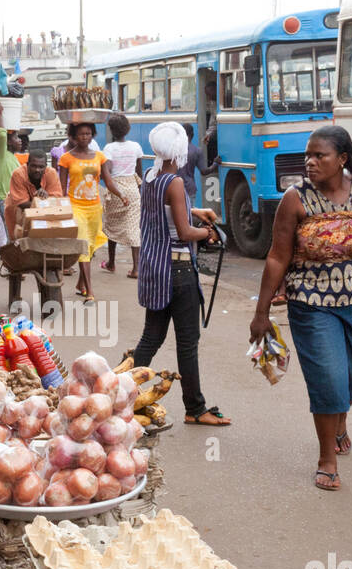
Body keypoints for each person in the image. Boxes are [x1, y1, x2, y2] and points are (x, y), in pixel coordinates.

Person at [248, 125, 352, 491]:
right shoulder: (295, 199)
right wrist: (261, 312)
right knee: (328, 378)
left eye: (320, 156)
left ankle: (339, 420)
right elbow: (276, 257)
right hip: (311, 304)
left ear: (342, 159)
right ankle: (326, 457)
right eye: (308, 156)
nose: (309, 162)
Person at [132, 121, 230, 425]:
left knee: (151, 337)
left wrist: (196, 212)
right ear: (181, 151)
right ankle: (195, 409)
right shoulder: (174, 182)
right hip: (178, 270)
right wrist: (209, 234)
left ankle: (116, 393)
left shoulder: (150, 177)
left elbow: (164, 213)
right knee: (187, 342)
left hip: (156, 268)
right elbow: (185, 232)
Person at [58, 123, 127, 302]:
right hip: (76, 207)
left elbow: (108, 181)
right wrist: (62, 207)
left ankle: (80, 284)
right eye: (81, 134)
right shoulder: (66, 158)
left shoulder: (100, 157)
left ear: (92, 135)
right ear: (73, 136)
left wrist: (121, 195)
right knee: (83, 246)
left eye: (88, 134)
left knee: (90, 245)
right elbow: (61, 187)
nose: (85, 137)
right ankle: (89, 291)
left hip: (95, 208)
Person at [99, 113, 143, 277]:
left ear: (111, 131)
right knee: (133, 227)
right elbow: (138, 171)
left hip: (116, 190)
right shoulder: (136, 147)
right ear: (128, 128)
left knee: (112, 226)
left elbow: (108, 172)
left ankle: (111, 263)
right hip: (132, 188)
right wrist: (139, 190)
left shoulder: (109, 149)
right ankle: (136, 268)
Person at [5, 150, 64, 240]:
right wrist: (42, 201)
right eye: (34, 166)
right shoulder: (18, 174)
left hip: (43, 215)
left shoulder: (51, 173)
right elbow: (22, 204)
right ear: (27, 164)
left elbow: (57, 199)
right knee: (17, 244)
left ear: (45, 167)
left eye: (41, 167)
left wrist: (46, 197)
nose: (37, 170)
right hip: (18, 213)